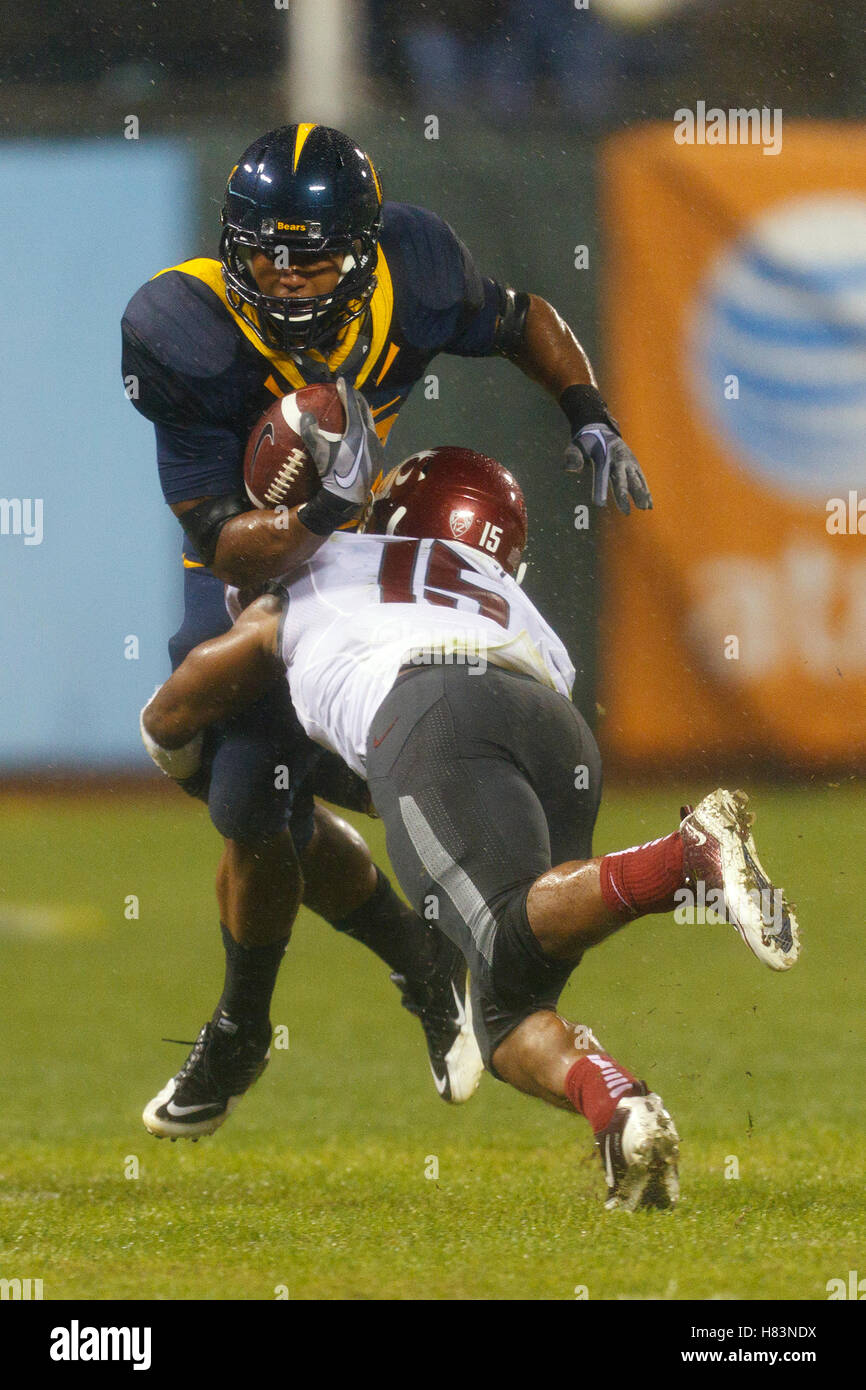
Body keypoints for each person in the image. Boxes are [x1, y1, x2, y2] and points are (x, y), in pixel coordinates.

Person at [121, 121, 651, 1129]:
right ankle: (366, 975)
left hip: (362, 553)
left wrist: (586, 410)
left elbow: (524, 319)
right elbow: (229, 545)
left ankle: (304, 994)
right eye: (264, 260)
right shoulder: (176, 325)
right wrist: (318, 504)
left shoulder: (416, 268)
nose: (282, 285)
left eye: (309, 260)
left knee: (292, 781)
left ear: (361, 250)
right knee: (245, 799)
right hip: (247, 555)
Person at [140, 447, 799, 1206]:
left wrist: (171, 744)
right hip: (558, 731)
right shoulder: (509, 597)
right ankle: (621, 1111)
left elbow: (197, 686)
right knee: (509, 1003)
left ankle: (685, 859)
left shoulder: (332, 561)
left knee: (509, 934)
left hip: (429, 710)